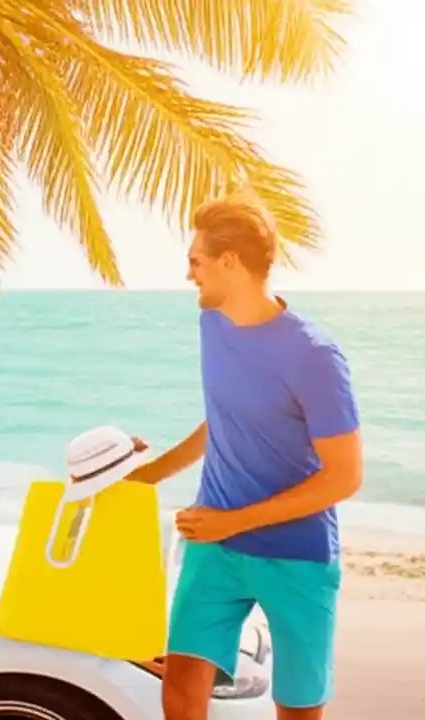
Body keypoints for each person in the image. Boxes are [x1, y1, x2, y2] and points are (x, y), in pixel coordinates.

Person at [130, 193, 364, 720]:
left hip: (296, 556)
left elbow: (345, 476)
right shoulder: (212, 324)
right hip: (214, 549)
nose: (189, 273)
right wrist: (150, 475)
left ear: (229, 263)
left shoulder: (314, 356)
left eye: (196, 261)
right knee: (181, 690)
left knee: (297, 709)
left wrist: (233, 522)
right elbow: (223, 415)